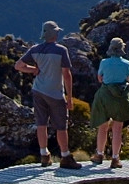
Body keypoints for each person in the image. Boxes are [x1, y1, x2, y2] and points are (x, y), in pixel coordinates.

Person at [15, 20, 82, 170]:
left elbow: (18, 66)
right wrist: (69, 97)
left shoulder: (35, 49)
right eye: (57, 31)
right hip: (55, 93)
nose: (58, 33)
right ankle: (65, 156)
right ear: (54, 34)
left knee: (41, 123)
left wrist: (33, 70)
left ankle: (44, 155)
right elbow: (67, 74)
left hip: (38, 90)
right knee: (61, 126)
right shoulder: (61, 50)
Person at [89, 37, 129, 169]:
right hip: (120, 97)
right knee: (117, 129)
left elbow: (100, 78)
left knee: (102, 127)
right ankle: (115, 158)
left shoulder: (104, 62)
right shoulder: (127, 63)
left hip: (104, 95)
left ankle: (99, 154)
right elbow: (128, 78)